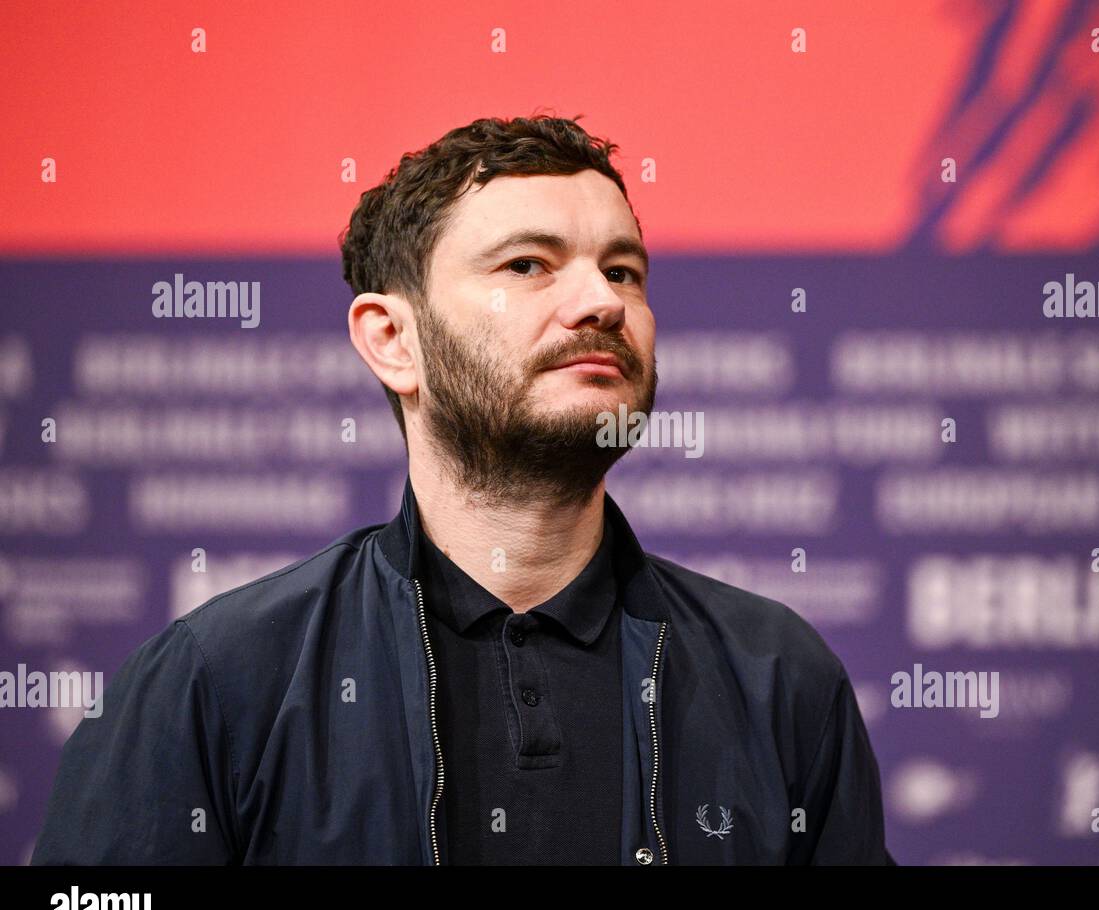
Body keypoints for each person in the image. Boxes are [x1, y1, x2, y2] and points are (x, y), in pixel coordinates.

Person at [32, 114, 894, 865]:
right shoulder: (215, 681)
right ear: (391, 341)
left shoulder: (777, 676)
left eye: (624, 271)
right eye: (528, 265)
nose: (600, 301)